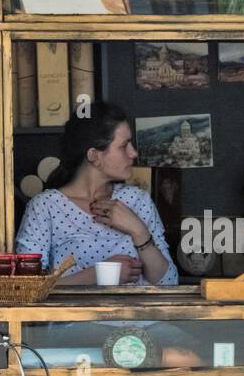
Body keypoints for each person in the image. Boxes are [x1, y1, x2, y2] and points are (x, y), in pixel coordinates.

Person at [16, 103, 177, 286]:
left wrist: (139, 231)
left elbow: (169, 282)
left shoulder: (138, 200)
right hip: (75, 315)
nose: (134, 153)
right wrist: (97, 275)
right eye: (124, 146)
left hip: (140, 314)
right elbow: (26, 287)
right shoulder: (45, 207)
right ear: (94, 155)